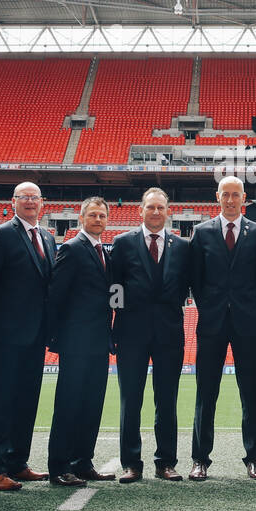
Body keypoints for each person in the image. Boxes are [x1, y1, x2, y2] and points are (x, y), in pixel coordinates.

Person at [189, 175, 256, 481]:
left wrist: (246, 304)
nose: (231, 199)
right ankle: (200, 459)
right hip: (211, 324)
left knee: (251, 394)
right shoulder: (202, 232)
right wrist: (211, 306)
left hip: (247, 323)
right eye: (226, 194)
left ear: (244, 198)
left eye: (236, 194)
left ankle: (254, 458)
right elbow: (195, 279)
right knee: (205, 394)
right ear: (218, 197)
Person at [110, 187, 192, 483]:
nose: (156, 212)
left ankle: (166, 461)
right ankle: (131, 463)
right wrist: (122, 318)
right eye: (151, 207)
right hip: (131, 331)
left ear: (167, 211)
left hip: (170, 332)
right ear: (140, 210)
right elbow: (114, 288)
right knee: (130, 399)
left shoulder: (182, 246)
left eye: (161, 208)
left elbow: (184, 286)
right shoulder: (122, 243)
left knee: (167, 399)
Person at [0, 182, 56, 490]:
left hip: (36, 335)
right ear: (13, 202)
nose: (29, 202)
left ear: (42, 202)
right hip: (6, 335)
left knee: (26, 400)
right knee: (0, 401)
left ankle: (17, 462)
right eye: (23, 197)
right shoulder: (0, 234)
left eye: (34, 197)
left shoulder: (48, 237)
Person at [46, 197, 115, 484]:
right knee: (69, 404)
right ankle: (60, 466)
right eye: (93, 215)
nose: (98, 220)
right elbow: (56, 295)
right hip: (75, 342)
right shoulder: (73, 249)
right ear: (82, 218)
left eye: (102, 215)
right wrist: (56, 337)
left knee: (91, 403)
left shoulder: (104, 252)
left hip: (99, 342)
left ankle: (83, 461)